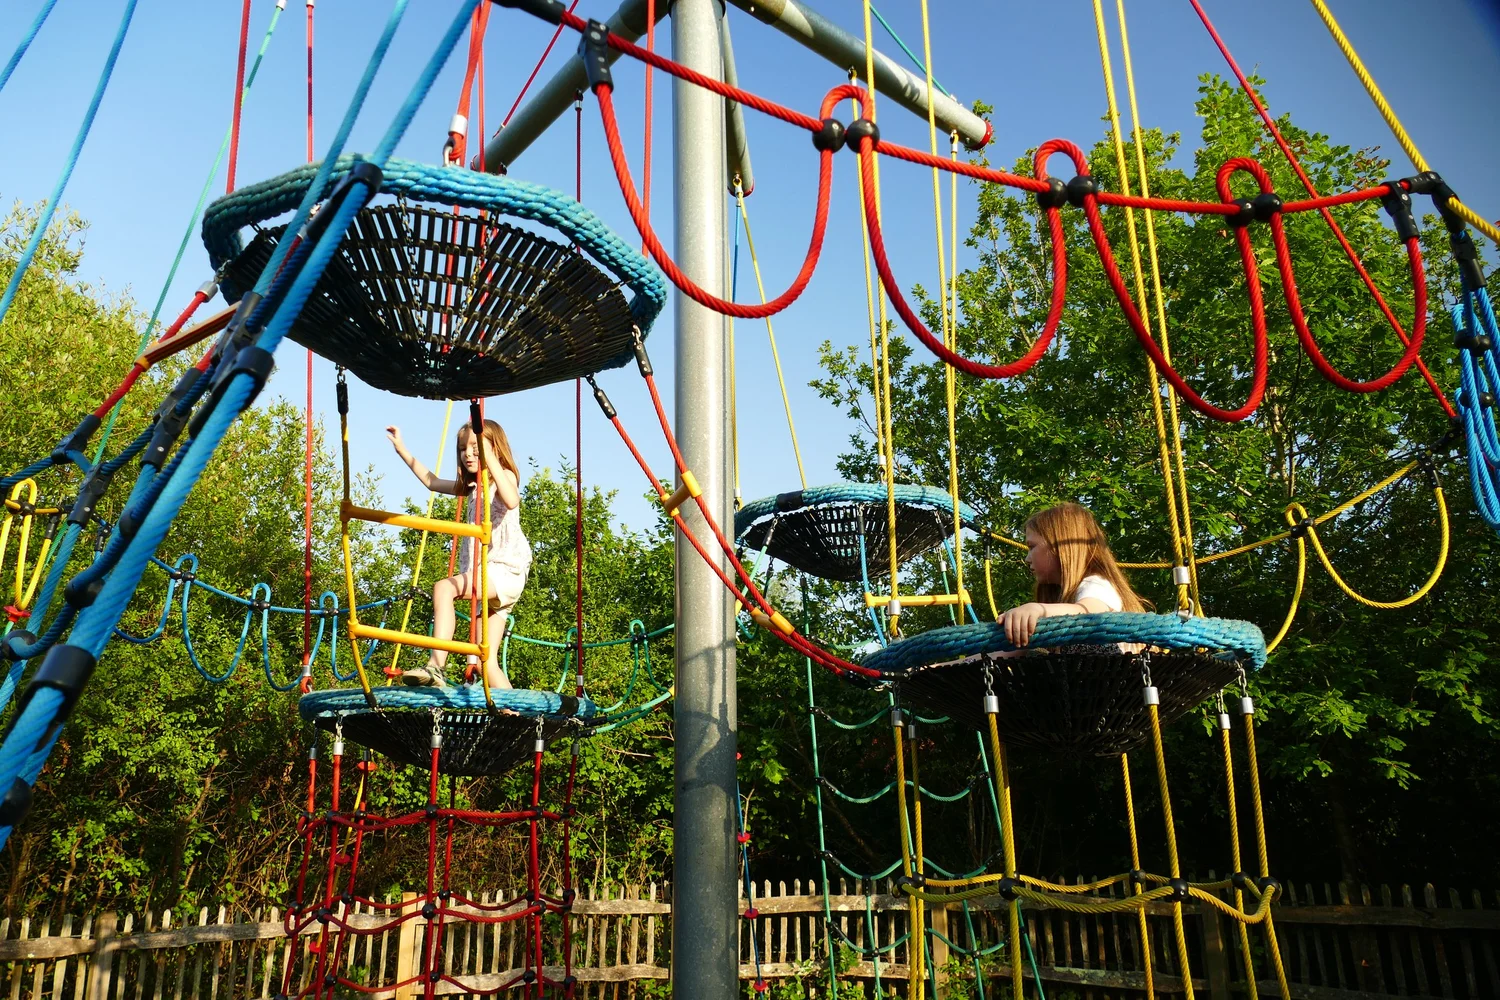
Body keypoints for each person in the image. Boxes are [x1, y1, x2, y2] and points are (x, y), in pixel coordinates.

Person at [385, 418, 531, 688]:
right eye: (463, 449)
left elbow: (511, 499)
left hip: (504, 569)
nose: (468, 454)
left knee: (443, 588)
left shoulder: (502, 478)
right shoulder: (473, 487)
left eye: (476, 448)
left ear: (494, 449)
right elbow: (432, 482)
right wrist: (402, 449)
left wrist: (493, 460)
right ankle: (516, 716)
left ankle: (436, 666)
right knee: (487, 661)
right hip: (489, 577)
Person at [999, 502, 1147, 651]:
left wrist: (1038, 610)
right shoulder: (1064, 595)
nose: (1027, 558)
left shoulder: (1096, 583)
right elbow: (1015, 650)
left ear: (1059, 547)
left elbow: (1091, 613)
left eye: (1032, 547)